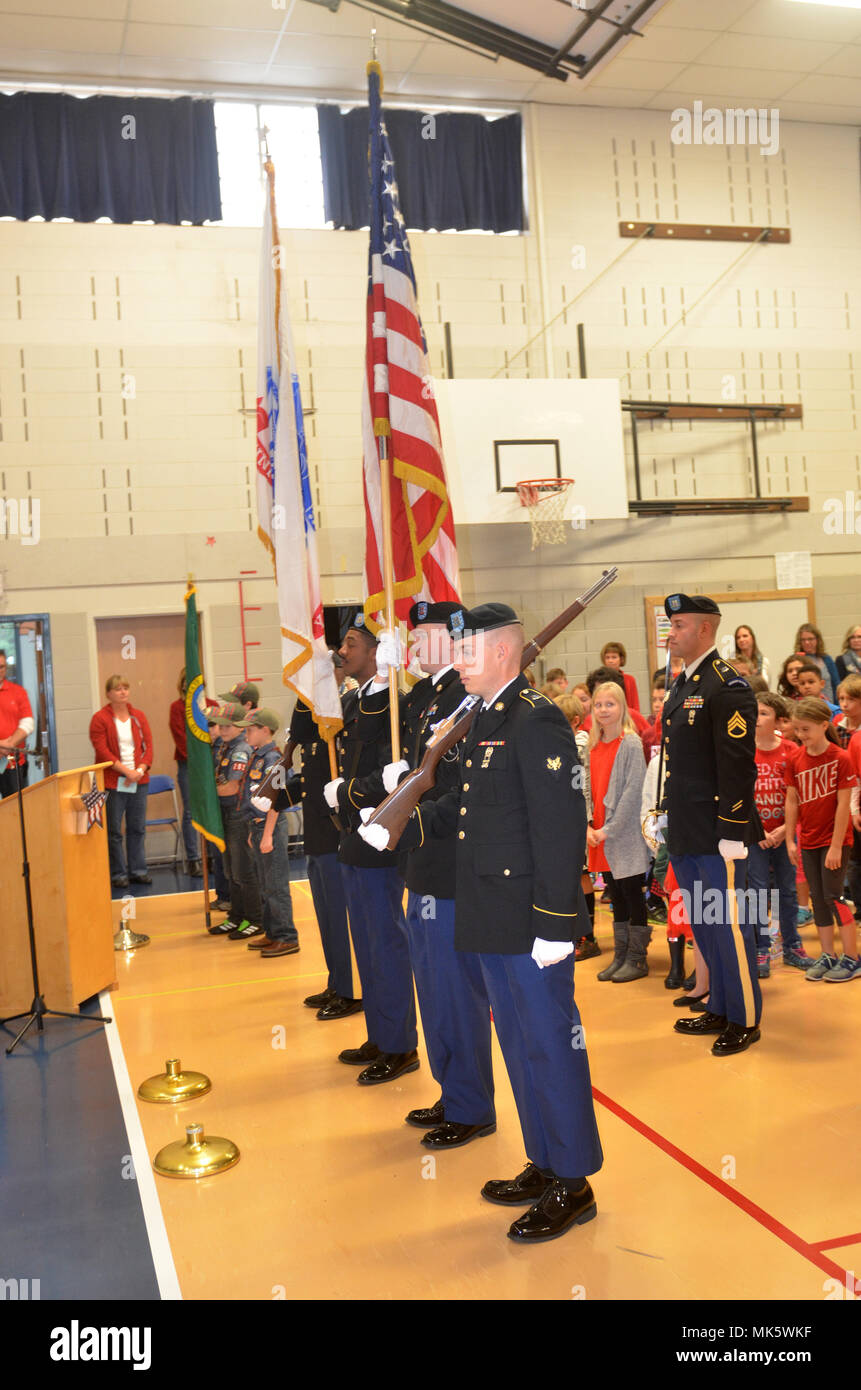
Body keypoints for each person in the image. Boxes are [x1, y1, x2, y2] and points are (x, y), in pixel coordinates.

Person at [361, 602, 603, 1244]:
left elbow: (559, 827)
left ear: (501, 652)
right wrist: (400, 820)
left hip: (530, 922)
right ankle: (546, 1160)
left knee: (551, 1046)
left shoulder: (535, 721)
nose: (457, 661)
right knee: (521, 1047)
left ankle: (574, 1183)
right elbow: (462, 812)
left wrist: (559, 923)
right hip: (490, 917)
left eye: (467, 651)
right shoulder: (484, 722)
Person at [374, 599, 497, 1149]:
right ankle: (452, 1091)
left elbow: (461, 790)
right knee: (433, 988)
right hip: (420, 866)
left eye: (420, 637)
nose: (412, 647)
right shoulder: (426, 698)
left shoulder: (465, 698)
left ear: (451, 639)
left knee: (455, 992)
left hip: (449, 866)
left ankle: (472, 1105)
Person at [661, 594, 763, 1056]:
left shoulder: (727, 686)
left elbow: (739, 766)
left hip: (717, 832)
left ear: (705, 629)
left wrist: (732, 830)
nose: (671, 632)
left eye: (678, 624)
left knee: (729, 926)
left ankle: (745, 1018)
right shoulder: (685, 683)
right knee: (705, 923)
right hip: (686, 829)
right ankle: (720, 1004)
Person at [324, 614, 418, 1085]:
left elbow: (389, 767)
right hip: (354, 833)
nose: (343, 651)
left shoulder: (390, 705)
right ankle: (381, 1034)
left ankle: (400, 1045)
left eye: (352, 643)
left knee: (384, 941)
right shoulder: (356, 700)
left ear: (375, 650)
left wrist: (349, 793)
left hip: (379, 832)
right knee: (365, 941)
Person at [286, 698, 359, 1019]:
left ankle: (350, 990)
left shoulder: (336, 732)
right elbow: (307, 783)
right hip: (316, 840)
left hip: (334, 837)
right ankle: (336, 981)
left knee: (340, 920)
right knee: (327, 919)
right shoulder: (315, 735)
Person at [785, 697, 859, 982]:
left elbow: (843, 805)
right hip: (810, 840)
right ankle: (828, 953)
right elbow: (792, 800)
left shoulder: (840, 758)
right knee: (817, 898)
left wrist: (837, 845)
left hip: (835, 841)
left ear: (823, 725)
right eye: (797, 730)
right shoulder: (795, 759)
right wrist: (792, 840)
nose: (801, 736)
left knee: (834, 897)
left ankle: (852, 957)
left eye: (806, 729)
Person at [587, 682, 651, 983]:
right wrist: (589, 825)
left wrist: (608, 830)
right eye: (598, 705)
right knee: (616, 896)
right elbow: (587, 789)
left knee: (631, 894)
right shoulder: (593, 745)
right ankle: (621, 955)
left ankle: (637, 959)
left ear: (622, 707)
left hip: (622, 834)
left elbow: (633, 792)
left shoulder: (631, 744)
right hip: (599, 834)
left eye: (609, 704)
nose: (603, 710)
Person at [749, 693, 809, 976]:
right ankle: (762, 948)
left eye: (762, 713)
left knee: (787, 891)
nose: (756, 718)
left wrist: (785, 830)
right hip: (756, 835)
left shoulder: (791, 750)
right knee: (758, 892)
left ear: (776, 718)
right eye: (753, 713)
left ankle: (792, 946)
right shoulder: (744, 750)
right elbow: (739, 795)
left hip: (785, 835)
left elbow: (798, 797)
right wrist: (758, 830)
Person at [241, 709, 299, 958]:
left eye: (250, 729)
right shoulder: (257, 756)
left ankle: (287, 936)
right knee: (264, 885)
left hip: (271, 828)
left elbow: (276, 802)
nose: (246, 733)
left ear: (265, 730)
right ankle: (272, 932)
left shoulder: (276, 760)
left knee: (276, 886)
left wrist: (266, 835)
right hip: (257, 826)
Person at [89, 674, 153, 889]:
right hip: (113, 781)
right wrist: (125, 770)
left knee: (137, 828)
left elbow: (148, 747)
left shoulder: (139, 716)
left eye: (125, 688)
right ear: (109, 694)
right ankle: (118, 873)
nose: (123, 692)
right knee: (114, 831)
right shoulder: (100, 718)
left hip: (139, 780)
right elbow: (102, 750)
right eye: (118, 689)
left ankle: (138, 870)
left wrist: (140, 769)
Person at [207, 703, 262, 939]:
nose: (223, 729)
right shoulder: (224, 748)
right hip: (226, 815)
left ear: (240, 727)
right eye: (220, 725)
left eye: (228, 725)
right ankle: (237, 917)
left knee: (243, 871)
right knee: (230, 871)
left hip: (240, 815)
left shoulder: (240, 750)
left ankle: (255, 919)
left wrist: (206, 794)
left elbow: (231, 787)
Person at [555, 692, 598, 958]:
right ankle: (580, 932)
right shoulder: (562, 744)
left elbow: (580, 787)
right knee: (574, 877)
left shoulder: (578, 746)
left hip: (579, 820)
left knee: (583, 877)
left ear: (575, 721)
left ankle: (588, 936)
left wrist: (583, 821)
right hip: (566, 821)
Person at [169, 668, 203, 877]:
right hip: (188, 765)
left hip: (209, 765)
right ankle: (194, 859)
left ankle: (211, 856)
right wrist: (197, 758)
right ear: (182, 685)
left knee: (209, 808)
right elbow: (180, 738)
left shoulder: (210, 706)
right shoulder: (176, 707)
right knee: (191, 811)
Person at [0, 648, 35, 799]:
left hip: (13, 764)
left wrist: (9, 745)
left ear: (5, 668)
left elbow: (28, 723)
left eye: (1, 666)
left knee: (15, 813)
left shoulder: (18, 692)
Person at [794, 625, 839, 704]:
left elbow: (836, 683)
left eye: (810, 639)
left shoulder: (826, 659)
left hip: (830, 704)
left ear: (817, 640)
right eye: (803, 640)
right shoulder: (797, 659)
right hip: (807, 705)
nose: (807, 642)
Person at [599, 640, 640, 712]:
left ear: (621, 659)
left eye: (614, 657)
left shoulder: (629, 680)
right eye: (607, 657)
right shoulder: (599, 680)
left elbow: (635, 705)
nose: (610, 661)